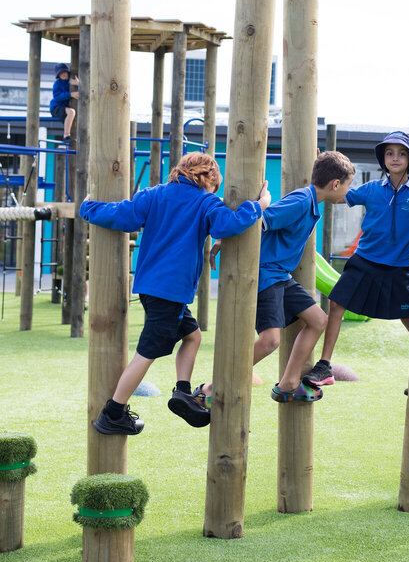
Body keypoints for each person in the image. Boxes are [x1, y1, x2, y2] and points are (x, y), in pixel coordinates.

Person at [82, 152, 270, 434]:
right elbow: (228, 225)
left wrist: (88, 208)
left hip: (153, 288)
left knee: (192, 336)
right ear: (209, 180)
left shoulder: (155, 194)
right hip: (171, 292)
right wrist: (259, 205)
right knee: (146, 353)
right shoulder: (206, 201)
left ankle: (183, 391)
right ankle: (113, 412)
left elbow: (123, 215)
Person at [305, 132, 409, 387]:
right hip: (364, 262)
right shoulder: (370, 190)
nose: (395, 158)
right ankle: (325, 366)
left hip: (398, 268)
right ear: (383, 158)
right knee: (335, 304)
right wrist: (321, 168)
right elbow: (338, 195)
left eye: (401, 153)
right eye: (389, 153)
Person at [202, 151, 355, 403]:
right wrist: (223, 238)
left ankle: (288, 383)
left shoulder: (311, 201)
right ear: (335, 184)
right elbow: (260, 219)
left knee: (318, 320)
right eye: (347, 185)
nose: (348, 191)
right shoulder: (301, 201)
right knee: (270, 340)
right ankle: (211, 386)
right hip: (265, 273)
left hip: (280, 275)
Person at [49, 62, 79, 145]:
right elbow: (57, 97)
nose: (63, 74)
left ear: (68, 72)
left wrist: (78, 84)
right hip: (56, 107)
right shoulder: (57, 84)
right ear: (58, 75)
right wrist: (70, 94)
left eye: (64, 72)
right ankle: (66, 135)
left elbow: (82, 92)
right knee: (71, 112)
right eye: (60, 73)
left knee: (72, 113)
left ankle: (68, 135)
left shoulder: (70, 82)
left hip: (64, 106)